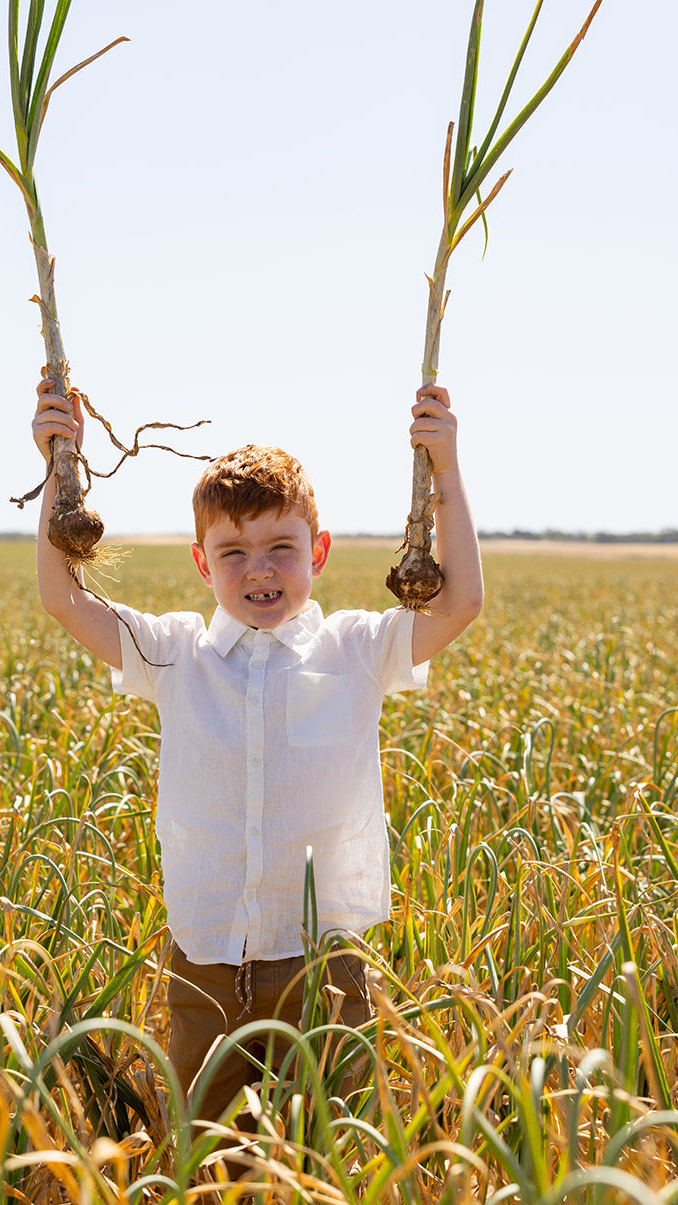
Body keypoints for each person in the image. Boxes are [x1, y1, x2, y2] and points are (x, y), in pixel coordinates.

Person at [32, 375, 483, 1124]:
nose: (260, 569)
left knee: (332, 1165)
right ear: (202, 564)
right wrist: (59, 463)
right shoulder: (173, 653)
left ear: (320, 551)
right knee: (208, 1170)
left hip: (326, 967)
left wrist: (445, 470)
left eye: (281, 546)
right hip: (207, 963)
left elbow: (458, 601)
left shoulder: (358, 649)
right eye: (233, 553)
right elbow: (64, 599)